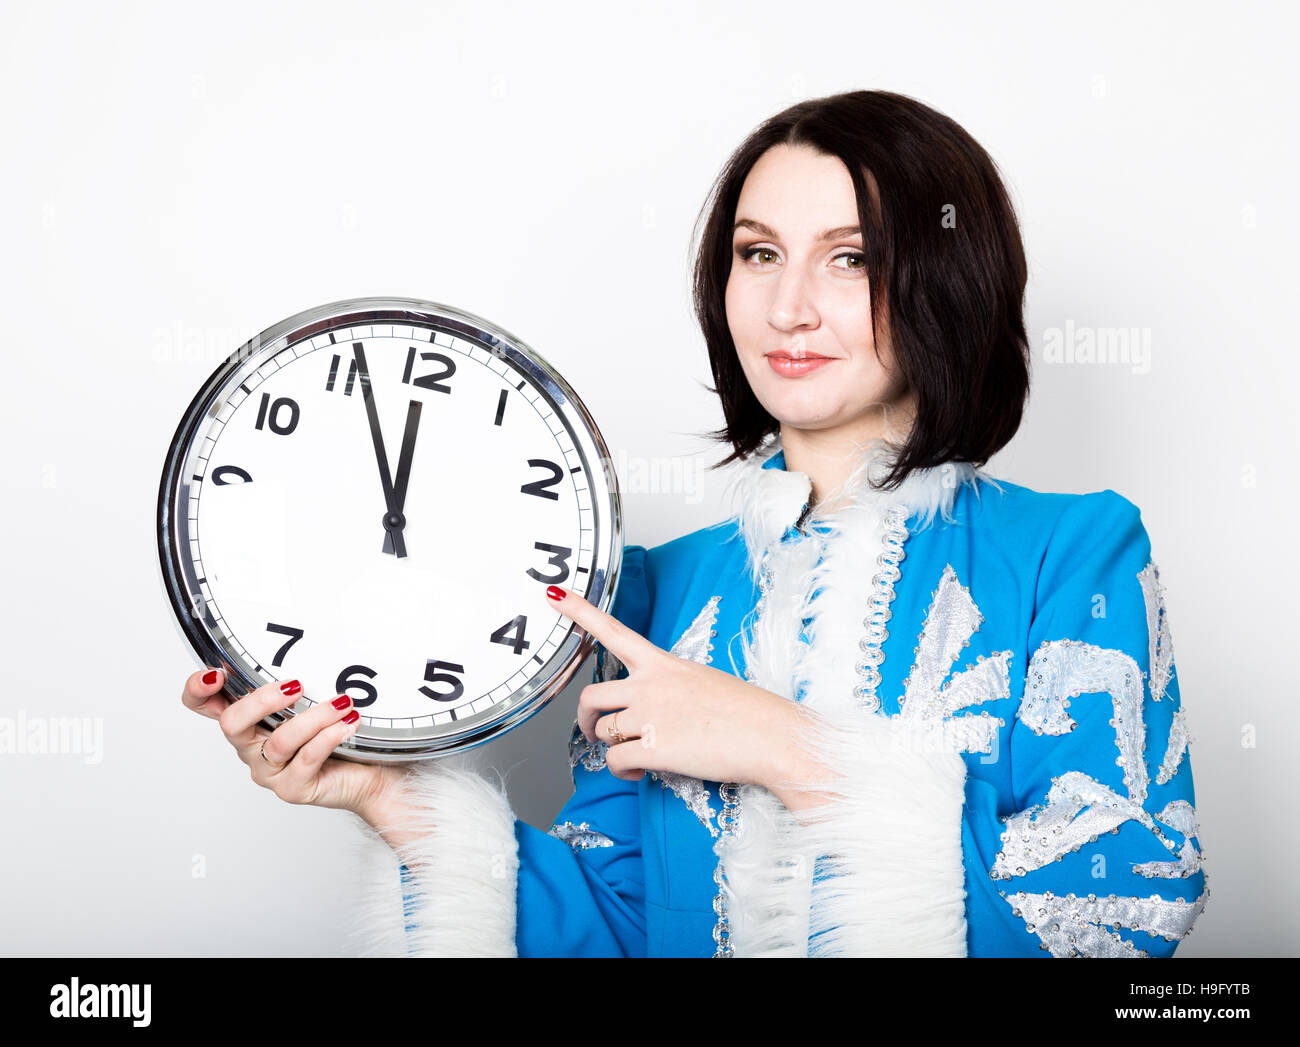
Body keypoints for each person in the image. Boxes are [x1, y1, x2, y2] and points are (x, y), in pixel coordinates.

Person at [180, 90, 1207, 957]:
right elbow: (617, 926)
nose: (787, 307)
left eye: (849, 259)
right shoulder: (652, 591)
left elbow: (1128, 899)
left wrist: (790, 750)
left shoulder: (1073, 551)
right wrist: (393, 801)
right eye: (757, 254)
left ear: (951, 277)